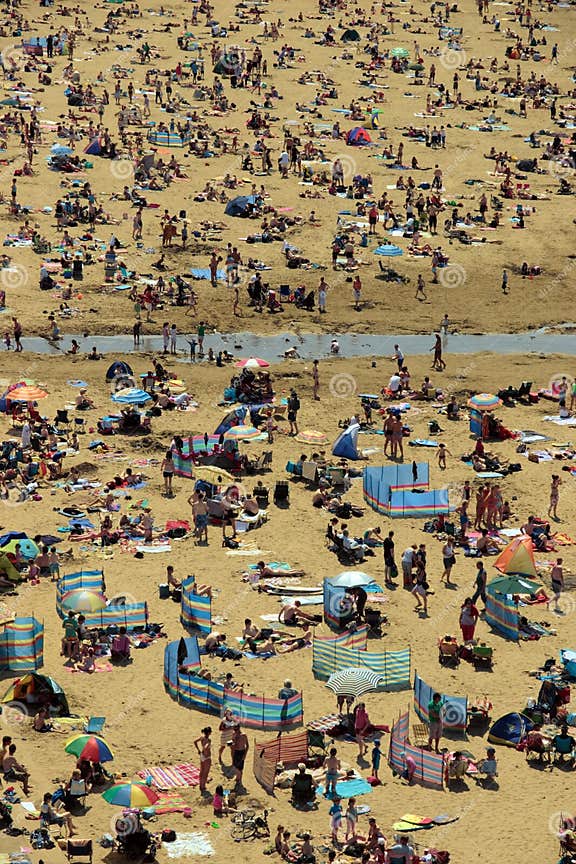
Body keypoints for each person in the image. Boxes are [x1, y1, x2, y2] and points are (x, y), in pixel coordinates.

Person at [194, 727, 212, 794]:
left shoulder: (201, 737)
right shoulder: (209, 740)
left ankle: (201, 785)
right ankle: (203, 786)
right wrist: (206, 747)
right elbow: (205, 747)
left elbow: (195, 742)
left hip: (202, 756)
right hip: (207, 757)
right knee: (205, 773)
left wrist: (198, 750)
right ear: (209, 733)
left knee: (201, 771)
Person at [231, 725, 249, 789]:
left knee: (240, 768)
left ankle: (239, 780)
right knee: (235, 766)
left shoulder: (243, 735)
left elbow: (247, 746)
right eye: (234, 729)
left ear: (239, 728)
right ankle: (237, 778)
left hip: (241, 752)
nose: (235, 731)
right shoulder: (234, 734)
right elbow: (233, 745)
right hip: (236, 751)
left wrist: (245, 755)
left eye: (236, 730)